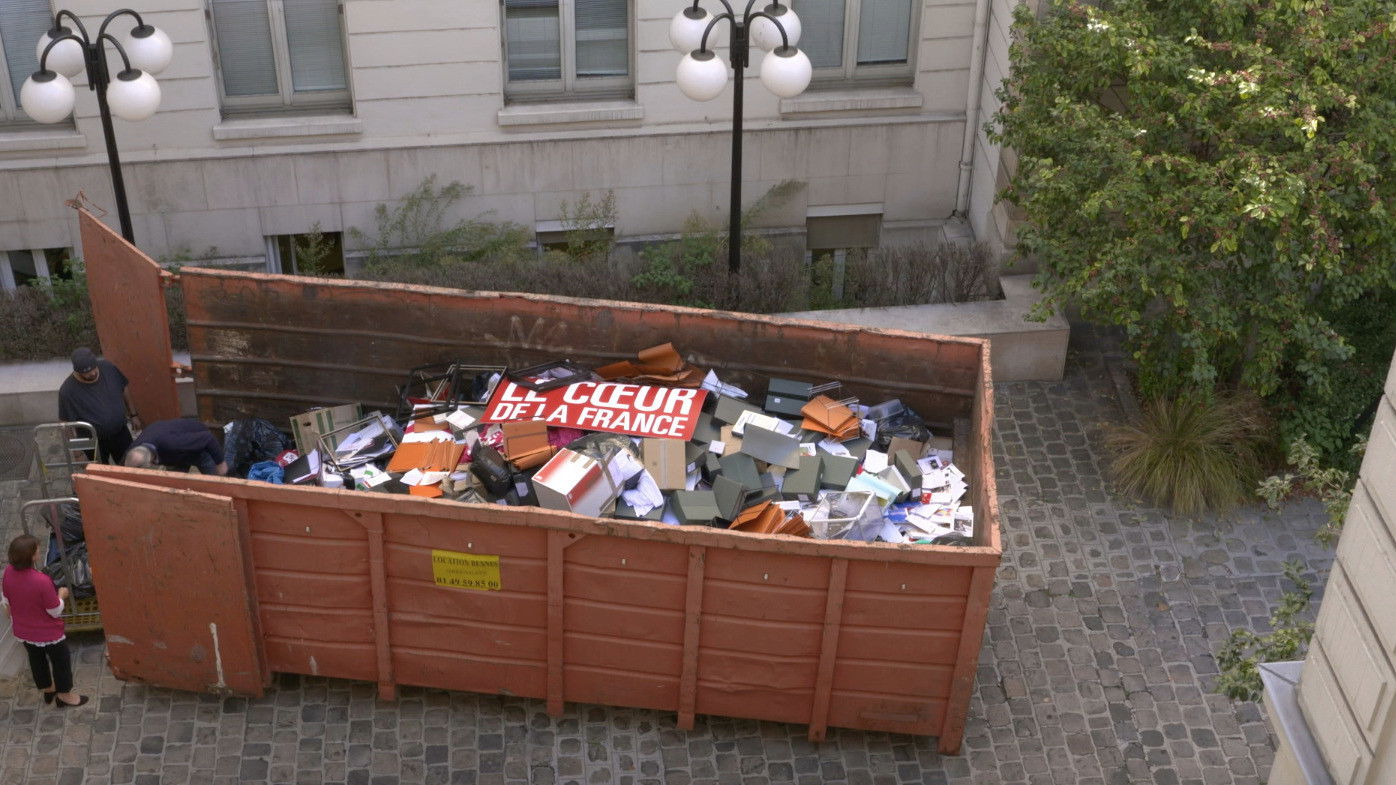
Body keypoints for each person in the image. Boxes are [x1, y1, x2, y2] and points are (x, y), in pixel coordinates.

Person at [1, 534, 88, 708]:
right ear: (32, 556)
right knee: (61, 661)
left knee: (36, 660)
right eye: (37, 550)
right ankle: (65, 695)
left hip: (24, 631)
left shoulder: (8, 573)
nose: (39, 552)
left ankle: (48, 688)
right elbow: (54, 610)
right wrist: (61, 595)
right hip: (48, 632)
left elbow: (7, 601)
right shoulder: (41, 581)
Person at [57, 347, 140, 464]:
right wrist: (77, 453)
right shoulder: (67, 391)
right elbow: (65, 424)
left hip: (120, 432)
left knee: (128, 463)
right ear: (77, 371)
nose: (92, 373)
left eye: (94, 368)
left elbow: (124, 387)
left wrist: (133, 414)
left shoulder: (108, 368)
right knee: (101, 470)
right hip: (93, 441)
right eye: (86, 372)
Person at [124, 418, 229, 475]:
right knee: (175, 486)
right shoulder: (134, 449)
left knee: (215, 484)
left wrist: (220, 463)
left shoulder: (173, 444)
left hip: (200, 448)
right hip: (174, 455)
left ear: (151, 462)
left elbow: (208, 438)